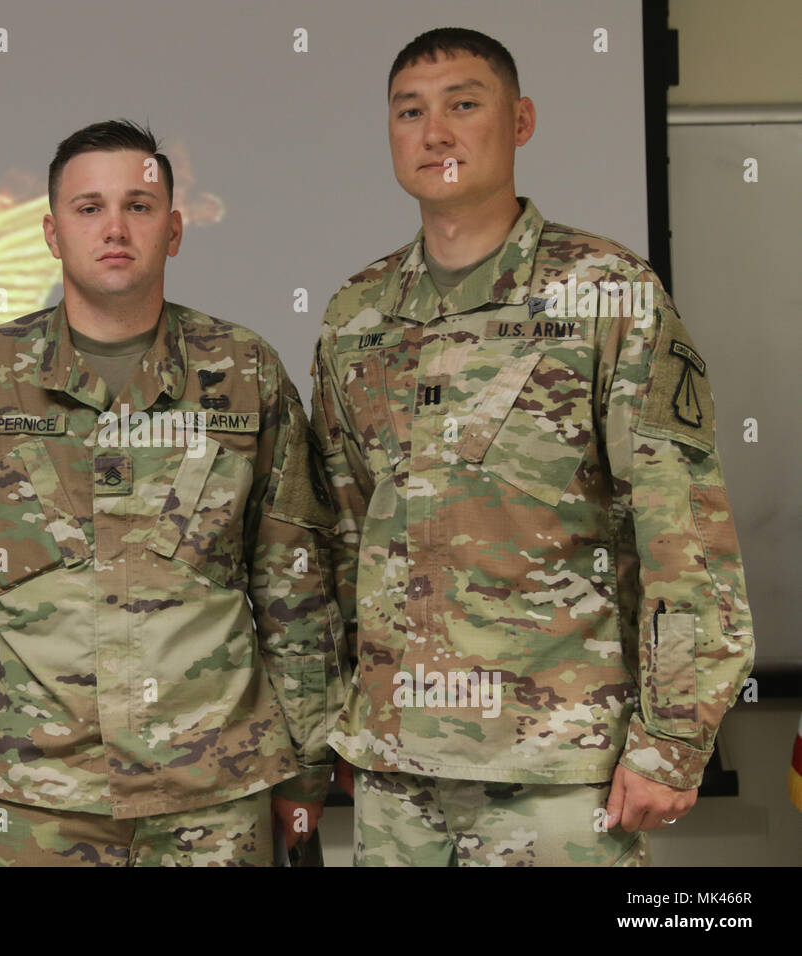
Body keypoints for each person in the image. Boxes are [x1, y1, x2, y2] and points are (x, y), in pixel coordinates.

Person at [312, 28, 755, 866]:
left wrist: (673, 736)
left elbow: (681, 528)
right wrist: (335, 716)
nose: (435, 132)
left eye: (464, 105)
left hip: (559, 762)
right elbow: (339, 533)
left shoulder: (608, 293)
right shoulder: (356, 316)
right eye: (410, 112)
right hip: (396, 762)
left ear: (520, 122)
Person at [0, 120, 346, 866]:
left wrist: (306, 766)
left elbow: (295, 595)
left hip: (213, 790)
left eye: (139, 207)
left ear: (174, 231)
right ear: (51, 232)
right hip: (31, 793)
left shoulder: (245, 373)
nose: (115, 227)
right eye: (89, 208)